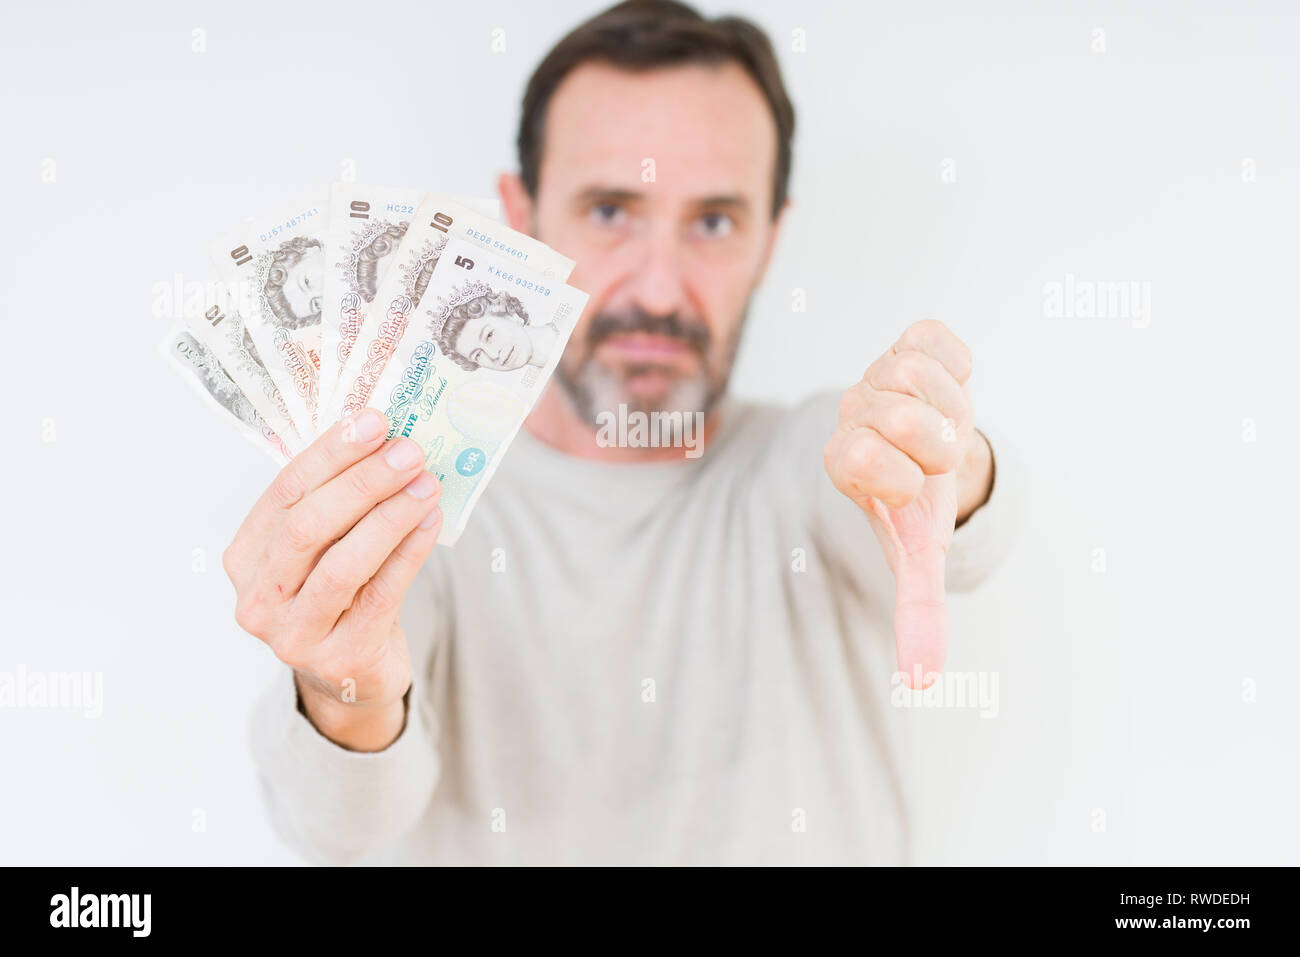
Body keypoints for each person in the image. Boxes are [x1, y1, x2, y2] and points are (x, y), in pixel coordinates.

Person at [226, 0, 1022, 865]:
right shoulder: (412, 496)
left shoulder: (811, 468)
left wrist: (945, 463)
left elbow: (933, 517)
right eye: (610, 210)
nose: (657, 286)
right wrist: (345, 687)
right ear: (520, 215)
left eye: (713, 221)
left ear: (770, 239)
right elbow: (338, 824)